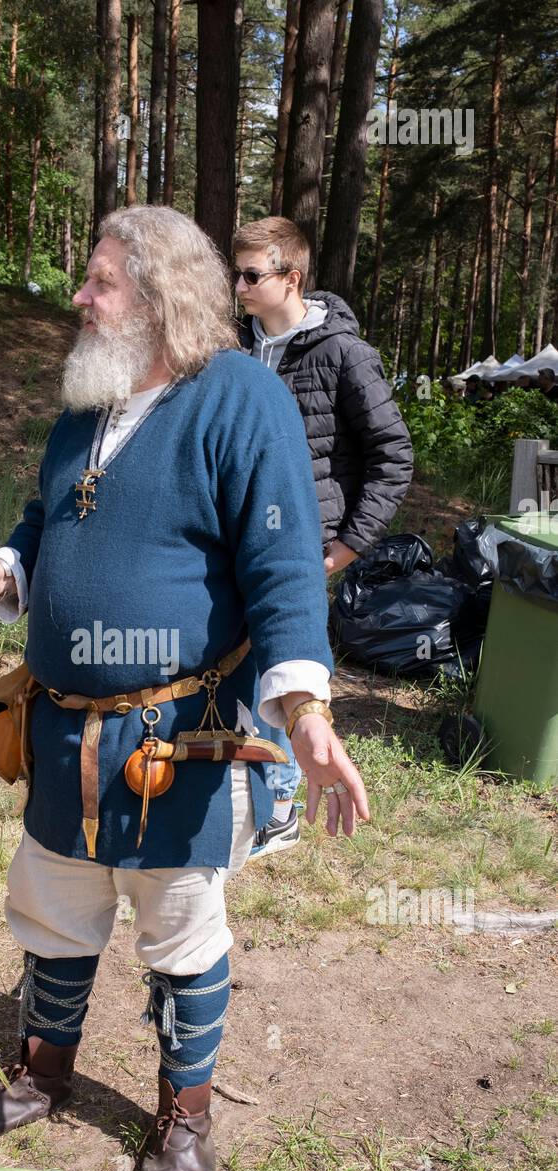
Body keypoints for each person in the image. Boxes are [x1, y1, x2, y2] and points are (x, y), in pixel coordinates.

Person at [0, 206, 369, 1171]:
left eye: (99, 283)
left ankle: (182, 1120)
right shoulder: (92, 396)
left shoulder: (239, 399)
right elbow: (51, 520)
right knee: (56, 909)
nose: (79, 298)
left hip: (178, 738)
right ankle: (42, 1074)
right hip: (62, 728)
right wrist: (4, 570)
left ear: (161, 298)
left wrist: (302, 706)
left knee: (178, 928)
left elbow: (284, 567)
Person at [232, 216, 412, 856]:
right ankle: (249, 775)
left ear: (292, 278)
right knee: (239, 659)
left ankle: (279, 801)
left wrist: (349, 545)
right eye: (237, 273)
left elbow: (393, 455)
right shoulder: (233, 345)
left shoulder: (343, 353)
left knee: (283, 657)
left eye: (252, 275)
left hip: (306, 541)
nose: (240, 286)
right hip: (235, 531)